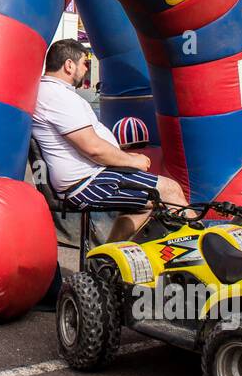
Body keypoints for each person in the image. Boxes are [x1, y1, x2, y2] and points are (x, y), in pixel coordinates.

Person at [31, 39, 185, 241]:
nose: (87, 68)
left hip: (86, 178)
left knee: (142, 206)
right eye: (84, 63)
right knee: (170, 191)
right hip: (85, 183)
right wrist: (132, 160)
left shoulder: (51, 92)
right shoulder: (57, 96)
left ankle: (105, 263)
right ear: (69, 65)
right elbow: (93, 148)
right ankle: (203, 260)